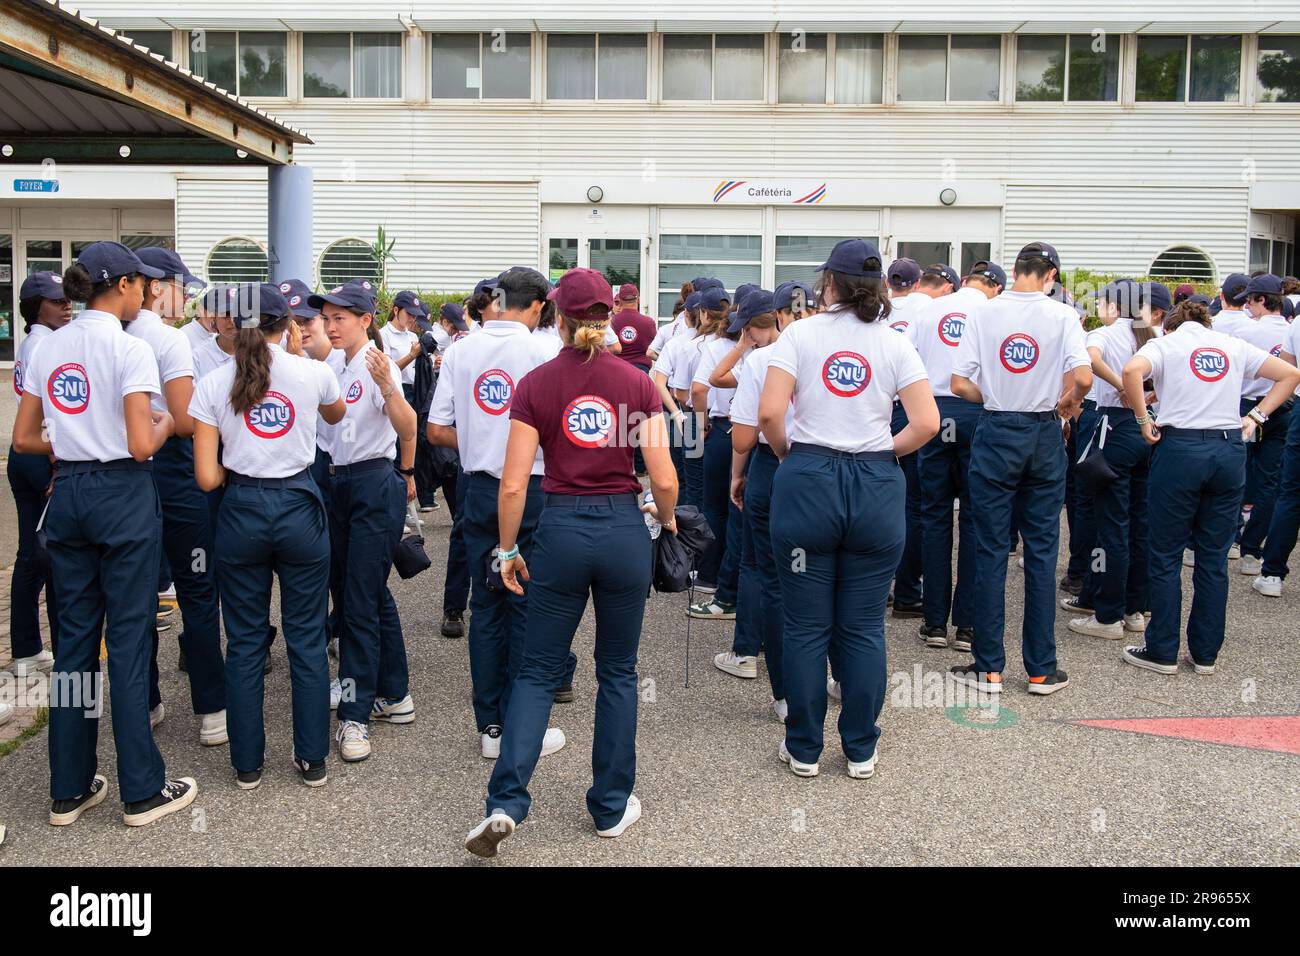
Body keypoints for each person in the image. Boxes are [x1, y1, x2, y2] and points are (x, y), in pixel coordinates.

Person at [466, 267, 675, 858]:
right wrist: (668, 518)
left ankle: (506, 803)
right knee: (618, 671)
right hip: (620, 529)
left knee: (535, 671)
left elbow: (512, 486)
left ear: (557, 318)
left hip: (557, 527)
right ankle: (609, 807)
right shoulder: (636, 384)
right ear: (609, 316)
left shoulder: (534, 384)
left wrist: (507, 550)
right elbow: (662, 474)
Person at [13, 241, 198, 827]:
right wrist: (167, 424)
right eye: (141, 282)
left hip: (67, 496)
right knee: (130, 640)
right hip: (122, 496)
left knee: (73, 645)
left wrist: (71, 443)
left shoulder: (47, 347)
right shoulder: (130, 348)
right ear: (121, 286)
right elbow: (144, 442)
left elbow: (23, 439)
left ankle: (68, 789)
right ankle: (140, 790)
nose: (146, 291)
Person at [761, 239, 938, 778]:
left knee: (805, 626)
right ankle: (860, 747)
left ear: (828, 284)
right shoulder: (895, 343)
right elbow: (928, 422)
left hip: (808, 479)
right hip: (874, 484)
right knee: (863, 627)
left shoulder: (800, 334)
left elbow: (771, 413)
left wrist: (791, 456)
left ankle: (805, 749)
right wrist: (884, 451)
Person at [191, 283, 346, 788]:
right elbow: (336, 414)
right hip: (299, 506)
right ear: (289, 326)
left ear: (231, 326)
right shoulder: (312, 373)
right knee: (305, 636)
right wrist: (299, 358)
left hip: (242, 510)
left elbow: (207, 479)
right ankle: (312, 758)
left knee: (244, 641)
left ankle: (248, 764)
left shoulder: (213, 383)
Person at [428, 267, 572, 759]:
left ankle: (490, 726)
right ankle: (520, 725)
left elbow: (436, 429)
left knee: (487, 604)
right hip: (532, 488)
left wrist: (478, 441)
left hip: (478, 486)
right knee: (528, 603)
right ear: (536, 306)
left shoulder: (461, 349)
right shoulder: (546, 350)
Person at [1119, 298, 1300, 674]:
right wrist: (1256, 416)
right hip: (1227, 447)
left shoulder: (1166, 344)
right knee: (1213, 557)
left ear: (1169, 325)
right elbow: (1290, 374)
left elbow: (1132, 369)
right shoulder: (1232, 345)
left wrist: (1141, 419)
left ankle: (1163, 649)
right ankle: (1205, 653)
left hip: (1181, 447)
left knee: (1166, 554)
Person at [949, 241, 1092, 696]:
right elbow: (1084, 378)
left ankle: (988, 667)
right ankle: (1041, 669)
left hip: (996, 428)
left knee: (990, 548)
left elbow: (958, 382)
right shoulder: (1063, 315)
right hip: (1044, 429)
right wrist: (1066, 405)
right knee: (1042, 550)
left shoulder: (985, 312)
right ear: (1051, 275)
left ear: (1014, 271)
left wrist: (992, 399)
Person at [125, 247, 228, 747]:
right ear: (154, 285)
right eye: (180, 288)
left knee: (134, 596)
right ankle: (211, 709)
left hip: (120, 477)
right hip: (172, 469)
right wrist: (166, 423)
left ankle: (145, 702)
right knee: (197, 591)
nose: (185, 298)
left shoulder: (99, 335)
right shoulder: (166, 340)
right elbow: (187, 420)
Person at [313, 279, 418, 763]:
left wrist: (386, 386)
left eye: (341, 318)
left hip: (372, 482)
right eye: (327, 317)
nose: (331, 326)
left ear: (365, 320)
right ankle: (394, 694)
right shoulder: (334, 362)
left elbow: (407, 426)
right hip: (338, 483)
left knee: (358, 600)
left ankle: (355, 715)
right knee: (363, 593)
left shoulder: (376, 365)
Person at [906, 260, 1005, 650]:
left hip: (935, 410)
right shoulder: (993, 311)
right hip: (977, 409)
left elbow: (909, 361)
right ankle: (966, 624)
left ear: (963, 282)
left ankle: (934, 622)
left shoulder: (929, 310)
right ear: (995, 287)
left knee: (934, 514)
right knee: (977, 519)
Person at [1066, 281, 1162, 641]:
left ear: (1113, 305)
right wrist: (1142, 396)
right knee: (1139, 521)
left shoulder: (1106, 333)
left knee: (1111, 525)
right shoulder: (1150, 335)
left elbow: (1090, 362)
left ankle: (1107, 615)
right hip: (1144, 426)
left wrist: (1123, 386)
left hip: (1114, 424)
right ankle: (1135, 609)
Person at [8, 272, 69, 676]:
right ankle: (62, 651)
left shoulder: (32, 341)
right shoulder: (45, 345)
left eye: (67, 298)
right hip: (41, 456)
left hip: (23, 456)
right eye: (55, 299)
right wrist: (57, 465)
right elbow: (51, 411)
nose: (65, 305)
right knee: (56, 556)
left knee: (31, 555)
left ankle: (26, 649)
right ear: (35, 306)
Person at [689, 285, 749, 620]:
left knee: (713, 506)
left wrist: (700, 423)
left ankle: (711, 574)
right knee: (739, 510)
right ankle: (734, 578)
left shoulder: (715, 348)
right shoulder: (764, 348)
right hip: (749, 433)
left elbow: (698, 389)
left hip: (720, 429)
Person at [1232, 274, 1293, 577]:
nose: (1247, 305)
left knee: (1237, 473)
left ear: (1261, 300)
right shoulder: (1290, 328)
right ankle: (1251, 550)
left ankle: (1231, 538)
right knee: (1270, 480)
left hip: (1246, 405)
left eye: (1250, 299)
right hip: (1281, 405)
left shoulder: (1246, 331)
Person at [884, 258, 927, 616]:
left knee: (887, 499)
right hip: (916, 404)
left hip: (887, 407)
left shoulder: (877, 310)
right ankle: (908, 590)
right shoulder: (927, 306)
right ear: (916, 284)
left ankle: (882, 582)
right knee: (914, 504)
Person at [1254, 293, 1300, 597]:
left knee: (1292, 493)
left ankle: (1272, 573)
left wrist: (1262, 412)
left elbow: (1287, 371)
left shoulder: (1297, 323)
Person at [382, 291, 436, 512]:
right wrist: (412, 356)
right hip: (396, 392)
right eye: (409, 314)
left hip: (415, 392)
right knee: (397, 447)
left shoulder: (412, 337)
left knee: (414, 449)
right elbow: (387, 370)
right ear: (396, 310)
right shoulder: (384, 335)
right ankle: (397, 508)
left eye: (415, 315)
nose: (413, 319)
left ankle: (409, 504)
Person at [610, 283, 657, 372]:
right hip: (641, 370)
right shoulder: (649, 322)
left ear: (620, 300)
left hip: (617, 369)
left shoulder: (611, 322)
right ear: (638, 299)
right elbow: (654, 348)